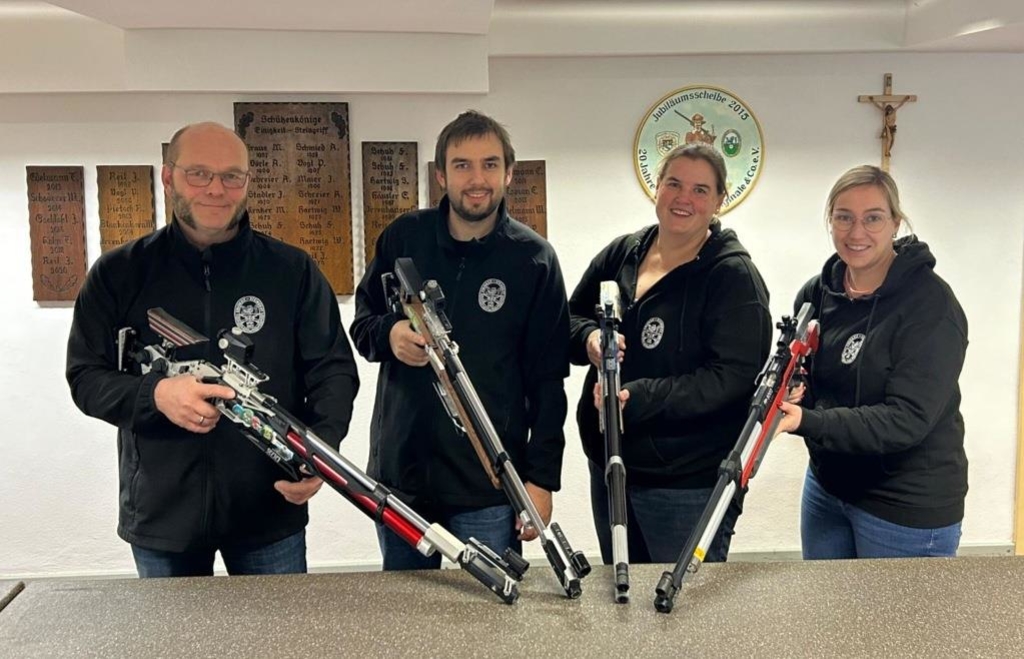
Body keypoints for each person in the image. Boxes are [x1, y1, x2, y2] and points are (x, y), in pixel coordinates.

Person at [66, 122, 359, 577]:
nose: (216, 189)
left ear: (248, 181)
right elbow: (86, 377)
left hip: (269, 509)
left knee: (280, 628)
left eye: (231, 176)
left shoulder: (292, 270)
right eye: (198, 173)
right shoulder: (117, 273)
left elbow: (333, 371)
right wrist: (156, 395)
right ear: (169, 177)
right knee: (173, 629)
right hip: (162, 516)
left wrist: (320, 452)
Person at [350, 110, 570, 570]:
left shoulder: (535, 260)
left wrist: (541, 479)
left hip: (489, 482)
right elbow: (363, 323)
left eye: (490, 164)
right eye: (462, 165)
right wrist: (390, 334)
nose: (477, 179)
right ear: (441, 175)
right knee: (407, 608)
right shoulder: (404, 237)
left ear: (509, 173)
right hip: (402, 476)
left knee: (492, 608)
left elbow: (549, 380)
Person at [568, 142, 771, 565]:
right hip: (610, 466)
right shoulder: (624, 252)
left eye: (700, 190)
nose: (684, 198)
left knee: (684, 601)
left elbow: (731, 379)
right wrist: (588, 338)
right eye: (674, 183)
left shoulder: (734, 278)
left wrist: (639, 397)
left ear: (719, 200)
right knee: (622, 589)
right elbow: (568, 318)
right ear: (656, 187)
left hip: (686, 483)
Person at [777, 165, 968, 559]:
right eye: (844, 217)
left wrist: (806, 421)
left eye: (873, 218)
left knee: (895, 606)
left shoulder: (931, 305)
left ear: (895, 223)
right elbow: (812, 376)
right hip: (828, 488)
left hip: (904, 506)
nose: (856, 232)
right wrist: (798, 391)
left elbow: (907, 419)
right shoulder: (816, 294)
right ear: (830, 221)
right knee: (829, 601)